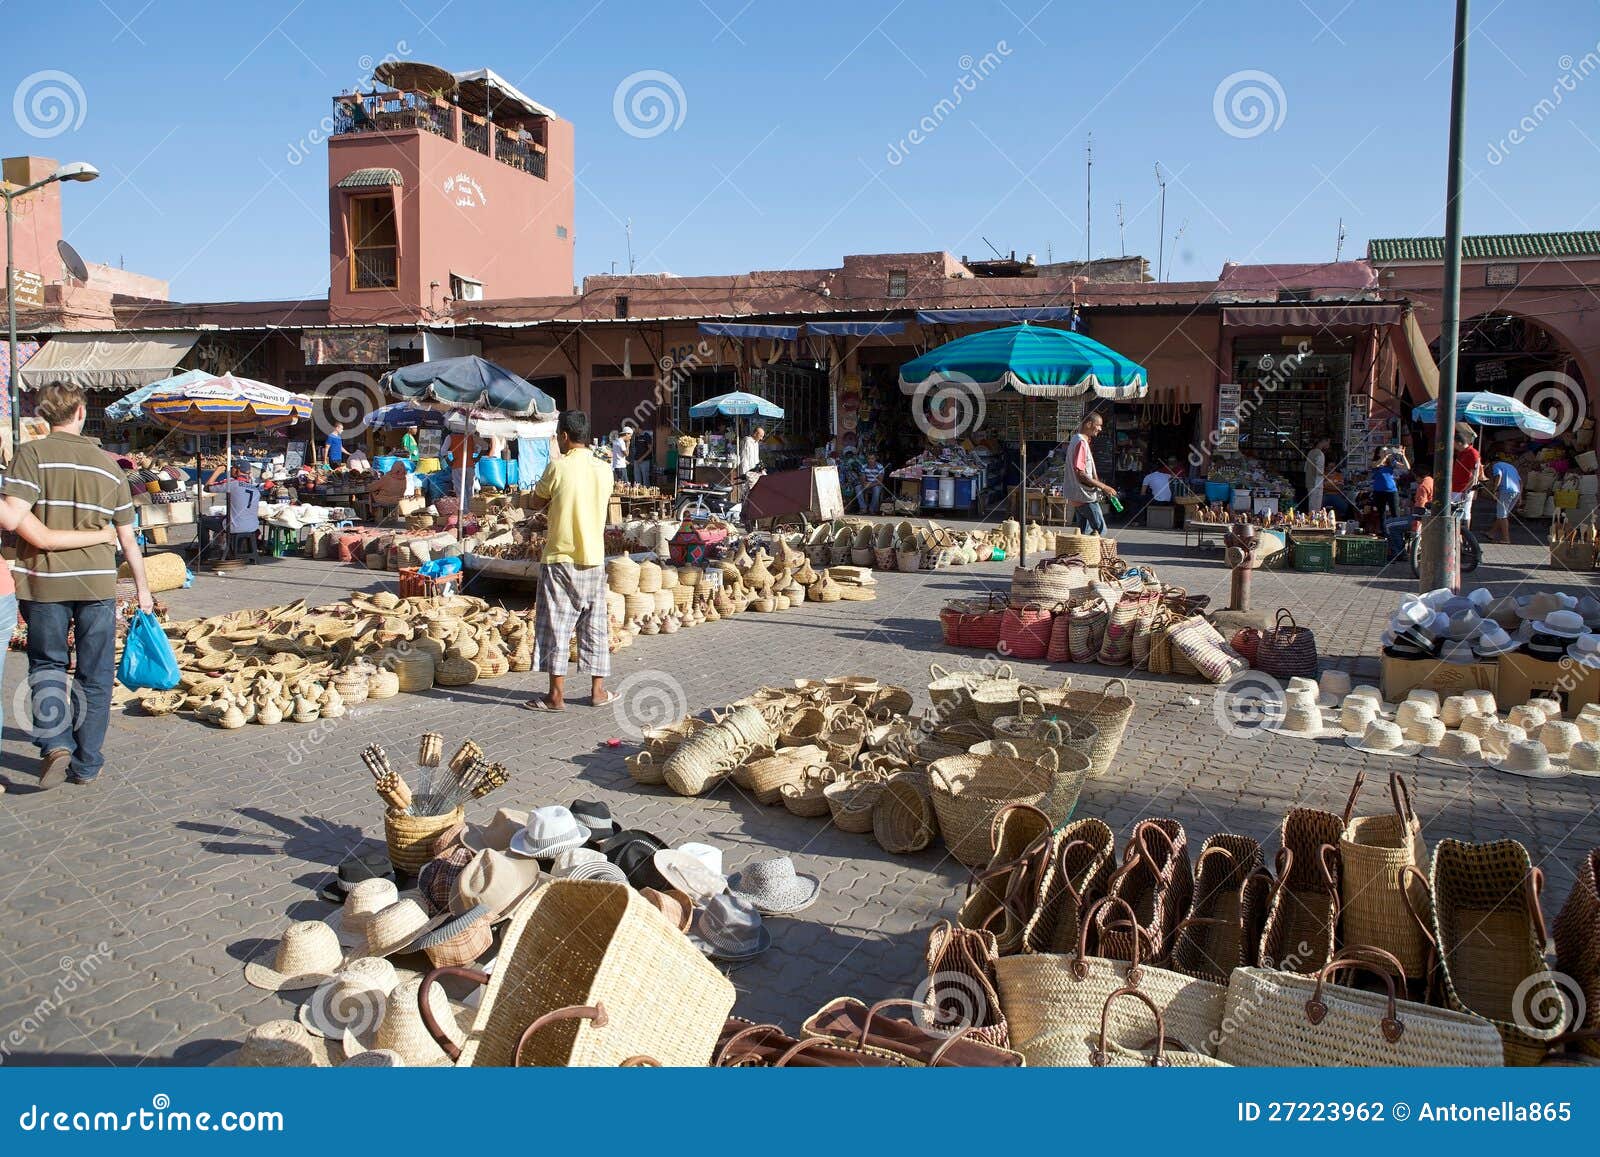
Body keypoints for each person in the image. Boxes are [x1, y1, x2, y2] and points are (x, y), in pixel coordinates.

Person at [1, 384, 152, 789]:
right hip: (97, 584)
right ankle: (86, 763)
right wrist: (143, 587)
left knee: (48, 665)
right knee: (95, 674)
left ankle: (54, 743)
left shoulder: (30, 455)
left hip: (44, 584)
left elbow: (12, 515)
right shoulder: (110, 467)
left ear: (44, 415)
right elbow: (126, 538)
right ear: (82, 413)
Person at [524, 410, 615, 712]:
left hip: (560, 558)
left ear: (564, 436)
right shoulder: (605, 469)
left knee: (557, 626)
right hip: (594, 558)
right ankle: (598, 691)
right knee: (595, 624)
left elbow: (537, 500)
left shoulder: (557, 467)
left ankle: (556, 696)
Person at [1062, 413, 1117, 535]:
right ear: (1088, 424)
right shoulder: (1081, 442)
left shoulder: (1077, 440)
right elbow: (1080, 473)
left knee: (1084, 533)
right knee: (1100, 530)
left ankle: (1083, 553)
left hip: (1079, 495)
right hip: (1084, 496)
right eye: (1098, 425)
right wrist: (1104, 487)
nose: (1100, 429)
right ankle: (1095, 554)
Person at [1386, 470, 1434, 559]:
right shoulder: (1431, 480)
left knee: (1389, 524)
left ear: (1417, 477)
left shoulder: (1422, 487)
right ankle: (1400, 550)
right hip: (1429, 517)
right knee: (1396, 522)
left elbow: (1420, 507)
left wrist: (1416, 524)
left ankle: (1398, 552)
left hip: (1421, 519)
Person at [1451, 423, 1483, 524]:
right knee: (1455, 513)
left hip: (1464, 489)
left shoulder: (1473, 453)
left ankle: (1465, 537)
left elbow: (1475, 474)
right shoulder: (1461, 453)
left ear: (1458, 443)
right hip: (1456, 487)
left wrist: (1467, 489)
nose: (1453, 447)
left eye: (1454, 444)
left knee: (1464, 513)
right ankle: (1458, 536)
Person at [1369, 446, 1407, 523]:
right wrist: (1385, 456)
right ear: (1378, 454)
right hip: (1379, 491)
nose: (1385, 452)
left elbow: (1406, 467)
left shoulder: (1391, 462)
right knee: (1381, 514)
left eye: (1386, 451)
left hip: (1392, 491)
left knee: (1395, 513)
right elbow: (1376, 465)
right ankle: (1384, 532)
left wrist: (1403, 456)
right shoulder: (1374, 462)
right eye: (1383, 451)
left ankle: (1396, 531)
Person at [1489, 454, 1521, 544]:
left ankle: (1506, 539)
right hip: (1516, 490)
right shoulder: (1512, 467)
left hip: (1506, 491)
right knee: (1503, 514)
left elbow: (1499, 476)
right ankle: (1491, 533)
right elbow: (1520, 481)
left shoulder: (1496, 465)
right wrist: (1520, 496)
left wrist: (1494, 490)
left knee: (1502, 516)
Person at [1304, 437, 1328, 513]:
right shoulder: (1320, 454)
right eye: (1328, 442)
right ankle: (1314, 522)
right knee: (1316, 507)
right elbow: (1320, 472)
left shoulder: (1310, 452)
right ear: (1324, 441)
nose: (1328, 445)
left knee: (1311, 505)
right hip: (1317, 483)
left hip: (1309, 482)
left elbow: (1305, 468)